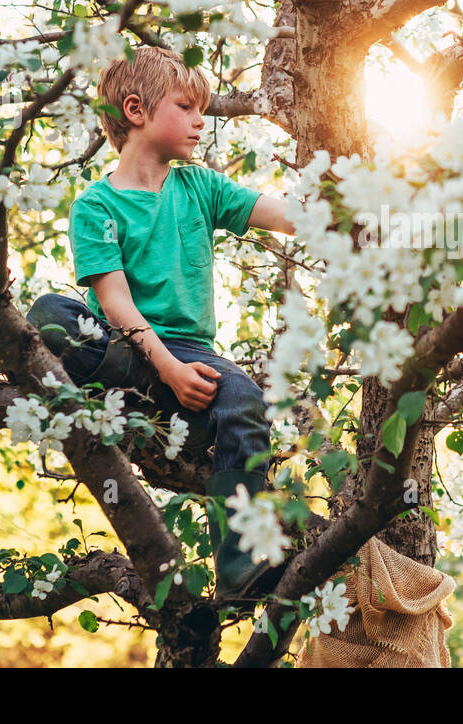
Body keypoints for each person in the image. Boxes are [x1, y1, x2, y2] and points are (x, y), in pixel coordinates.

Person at [27, 45, 295, 601]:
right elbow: (116, 303)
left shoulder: (201, 188)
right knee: (50, 314)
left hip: (195, 356)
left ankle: (239, 561)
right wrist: (167, 369)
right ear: (136, 110)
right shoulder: (97, 205)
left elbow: (286, 214)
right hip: (125, 351)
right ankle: (111, 400)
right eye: (187, 107)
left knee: (244, 399)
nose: (202, 120)